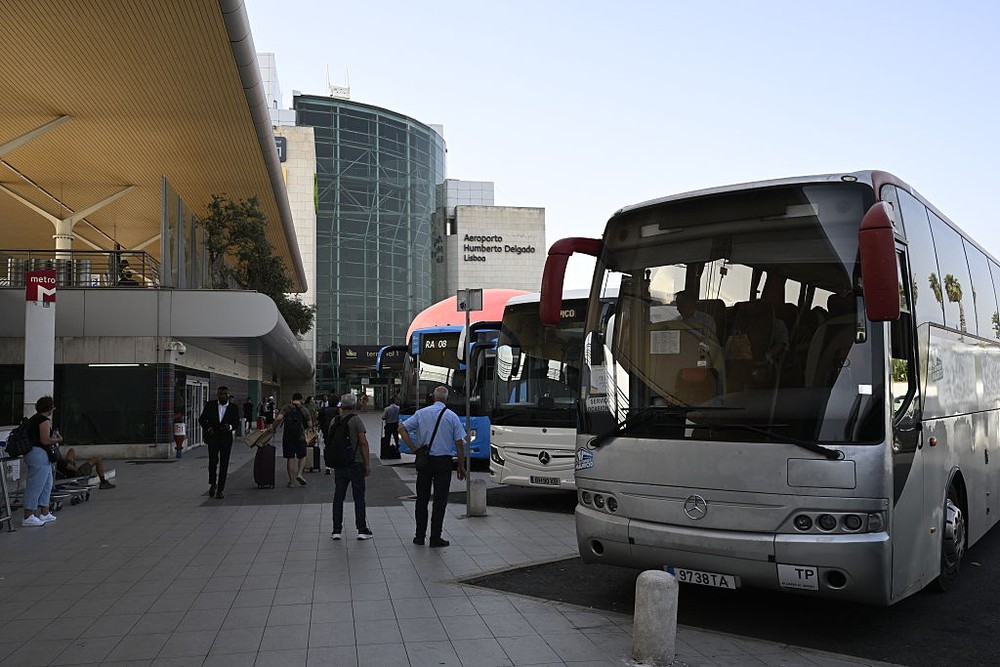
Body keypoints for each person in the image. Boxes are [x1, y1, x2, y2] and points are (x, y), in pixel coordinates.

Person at [398, 385, 467, 548]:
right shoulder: (452, 416)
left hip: (425, 461)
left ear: (433, 398)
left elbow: (401, 428)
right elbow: (459, 443)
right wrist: (461, 466)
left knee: (421, 499)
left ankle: (419, 536)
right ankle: (435, 537)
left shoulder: (421, 413)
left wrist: (414, 448)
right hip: (443, 462)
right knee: (440, 500)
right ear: (447, 399)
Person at [329, 394, 373, 540]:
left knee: (338, 497)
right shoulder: (356, 420)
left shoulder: (334, 421)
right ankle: (361, 530)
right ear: (354, 406)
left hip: (339, 464)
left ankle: (336, 530)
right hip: (356, 463)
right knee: (359, 497)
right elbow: (363, 443)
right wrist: (367, 464)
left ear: (341, 406)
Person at [21, 396, 62, 527]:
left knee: (47, 483)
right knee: (36, 485)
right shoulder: (43, 420)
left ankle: (45, 512)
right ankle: (28, 516)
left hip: (38, 455)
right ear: (49, 408)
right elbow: (45, 440)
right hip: (38, 455)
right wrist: (57, 439)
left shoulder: (34, 419)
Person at [198, 386, 241, 499]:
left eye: (225, 394)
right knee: (212, 462)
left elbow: (237, 422)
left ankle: (220, 489)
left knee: (224, 464)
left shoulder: (233, 407)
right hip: (213, 438)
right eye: (221, 394)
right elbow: (202, 419)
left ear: (228, 395)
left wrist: (230, 427)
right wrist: (208, 428)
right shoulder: (210, 405)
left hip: (226, 439)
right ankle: (213, 484)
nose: (223, 396)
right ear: (217, 395)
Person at [274, 392, 312, 488]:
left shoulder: (286, 407)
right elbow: (310, 425)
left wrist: (273, 428)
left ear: (292, 399)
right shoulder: (304, 409)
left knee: (290, 458)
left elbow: (279, 418)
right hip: (300, 436)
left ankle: (291, 482)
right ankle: (299, 473)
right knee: (302, 456)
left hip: (288, 436)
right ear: (301, 400)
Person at [381, 394, 401, 459]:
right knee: (396, 439)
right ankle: (398, 452)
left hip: (389, 425)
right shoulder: (398, 408)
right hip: (395, 425)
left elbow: (383, 417)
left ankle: (386, 454)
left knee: (387, 439)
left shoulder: (387, 409)